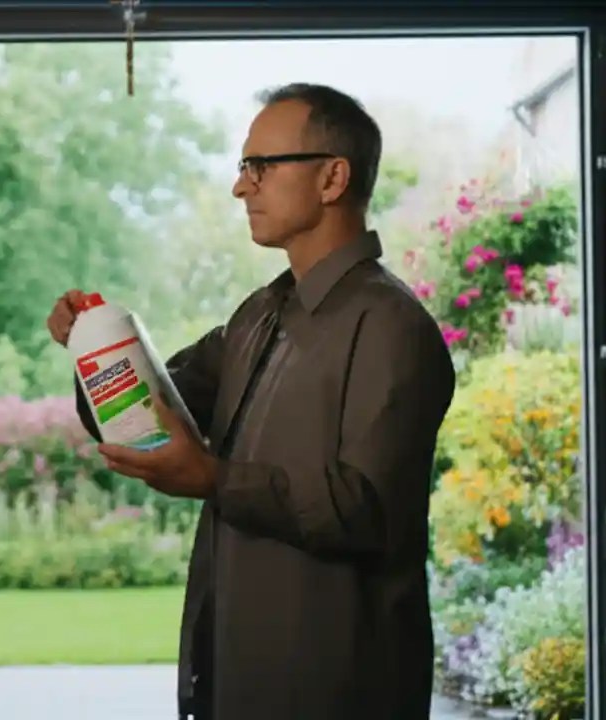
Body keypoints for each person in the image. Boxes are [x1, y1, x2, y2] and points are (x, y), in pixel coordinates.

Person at [46, 83, 456, 720]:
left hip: (339, 692)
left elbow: (366, 508)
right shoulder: (260, 315)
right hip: (239, 681)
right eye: (244, 167)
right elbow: (150, 413)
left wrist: (214, 479)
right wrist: (96, 345)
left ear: (332, 177)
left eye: (261, 166)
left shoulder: (390, 326)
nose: (242, 187)